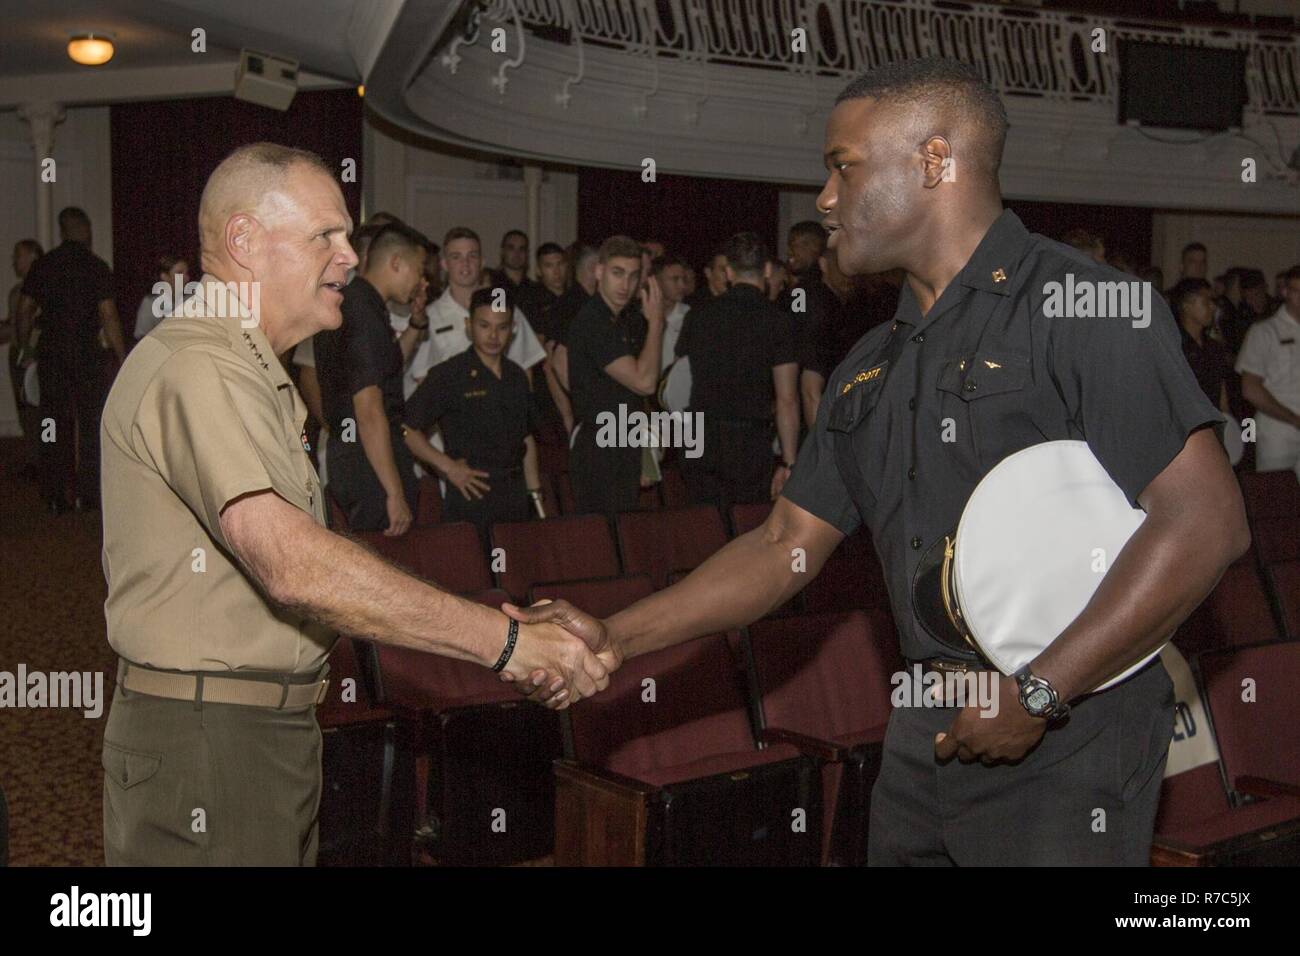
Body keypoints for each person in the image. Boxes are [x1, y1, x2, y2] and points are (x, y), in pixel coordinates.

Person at [506, 58, 1249, 868]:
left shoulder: (1081, 306)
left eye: (842, 167)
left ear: (933, 161)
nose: (824, 199)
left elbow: (1205, 523)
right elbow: (779, 547)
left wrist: (1041, 688)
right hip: (927, 722)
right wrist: (615, 633)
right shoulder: (870, 362)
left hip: (1073, 728)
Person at [97, 142, 607, 866]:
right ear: (244, 242)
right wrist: (507, 643)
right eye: (325, 237)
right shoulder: (197, 366)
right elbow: (293, 565)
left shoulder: (246, 371)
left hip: (254, 729)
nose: (347, 257)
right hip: (211, 740)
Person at [314, 224, 429, 534]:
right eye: (419, 270)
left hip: (359, 453)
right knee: (384, 562)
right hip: (369, 460)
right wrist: (393, 492)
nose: (422, 281)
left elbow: (387, 367)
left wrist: (416, 326)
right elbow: (369, 410)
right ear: (396, 263)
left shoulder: (357, 304)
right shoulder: (363, 312)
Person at [13, 206, 126, 513]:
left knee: (52, 422)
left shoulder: (45, 265)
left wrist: (25, 347)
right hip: (86, 353)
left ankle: (54, 494)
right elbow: (108, 315)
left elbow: (24, 309)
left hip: (52, 352)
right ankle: (88, 494)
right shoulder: (96, 266)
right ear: (86, 231)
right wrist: (121, 355)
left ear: (61, 232)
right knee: (90, 423)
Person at [675, 232, 799, 510]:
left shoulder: (698, 315)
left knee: (702, 527)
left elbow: (680, 375)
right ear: (767, 270)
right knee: (745, 531)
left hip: (698, 434)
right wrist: (790, 461)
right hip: (748, 441)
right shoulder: (779, 321)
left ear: (729, 271)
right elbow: (787, 398)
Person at [403, 286, 542, 533]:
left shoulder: (517, 376)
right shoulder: (450, 374)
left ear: (512, 329)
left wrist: (536, 497)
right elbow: (406, 428)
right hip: (471, 496)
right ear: (469, 325)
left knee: (518, 569)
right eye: (484, 325)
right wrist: (447, 467)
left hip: (515, 496)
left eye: (502, 327)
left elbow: (526, 438)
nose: (493, 335)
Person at [563, 235, 664, 513]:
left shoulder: (624, 320)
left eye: (633, 276)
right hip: (599, 448)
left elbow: (637, 398)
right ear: (599, 271)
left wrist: (644, 452)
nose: (625, 284)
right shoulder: (594, 321)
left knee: (622, 540)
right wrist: (657, 323)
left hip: (623, 441)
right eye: (617, 273)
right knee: (602, 544)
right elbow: (644, 383)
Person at [405, 227, 546, 399]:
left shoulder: (499, 301)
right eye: (456, 257)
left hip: (500, 409)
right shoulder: (431, 315)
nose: (465, 264)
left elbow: (524, 365)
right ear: (444, 264)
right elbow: (423, 380)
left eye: (472, 256)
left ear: (482, 262)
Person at [1236, 266, 1300, 477]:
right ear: (1285, 292)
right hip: (1278, 432)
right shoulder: (1265, 331)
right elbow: (1250, 388)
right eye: (1296, 291)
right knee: (1276, 500)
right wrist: (1292, 418)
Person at [5, 239, 43, 479]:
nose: (13, 262)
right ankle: (33, 459)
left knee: (40, 413)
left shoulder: (44, 289)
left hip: (36, 358)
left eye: (17, 256)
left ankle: (44, 459)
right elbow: (12, 327)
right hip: (19, 356)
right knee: (25, 412)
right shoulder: (16, 292)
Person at [1170, 278, 1232, 415]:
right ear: (1186, 305)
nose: (1213, 307)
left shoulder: (1214, 347)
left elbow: (1221, 394)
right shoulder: (1173, 347)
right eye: (1206, 302)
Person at [133, 254, 190, 340]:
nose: (186, 278)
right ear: (165, 276)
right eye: (179, 273)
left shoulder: (191, 300)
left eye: (187, 273)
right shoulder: (151, 303)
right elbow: (142, 337)